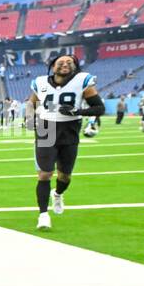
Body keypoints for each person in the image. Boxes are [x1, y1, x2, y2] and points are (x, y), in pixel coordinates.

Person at [26, 54, 101, 229]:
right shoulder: (41, 82)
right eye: (61, 62)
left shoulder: (82, 81)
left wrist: (77, 111)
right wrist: (29, 119)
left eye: (70, 62)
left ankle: (58, 194)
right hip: (46, 128)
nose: (65, 64)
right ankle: (43, 215)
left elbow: (99, 107)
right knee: (44, 174)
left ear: (75, 66)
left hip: (69, 130)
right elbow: (32, 103)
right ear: (53, 66)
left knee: (64, 176)